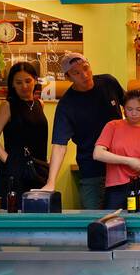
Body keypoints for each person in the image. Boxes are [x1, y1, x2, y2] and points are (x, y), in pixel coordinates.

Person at [41, 52, 125, 209]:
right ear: (68, 77)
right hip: (92, 170)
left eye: (86, 68)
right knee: (92, 217)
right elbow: (59, 145)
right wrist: (51, 182)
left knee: (128, 216)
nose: (84, 75)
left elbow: (132, 106)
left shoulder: (108, 82)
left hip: (122, 167)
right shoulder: (66, 105)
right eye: (77, 73)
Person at [0, 61, 49, 200]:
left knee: (37, 208)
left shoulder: (40, 104)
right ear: (12, 84)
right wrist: (9, 162)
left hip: (38, 169)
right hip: (14, 171)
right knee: (12, 209)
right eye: (19, 82)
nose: (24, 86)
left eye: (28, 81)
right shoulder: (7, 105)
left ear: (35, 80)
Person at [93, 90, 140, 210]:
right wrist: (129, 161)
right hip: (115, 187)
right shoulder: (113, 126)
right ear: (123, 109)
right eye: (129, 109)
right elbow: (98, 154)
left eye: (138, 109)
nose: (134, 113)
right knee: (112, 219)